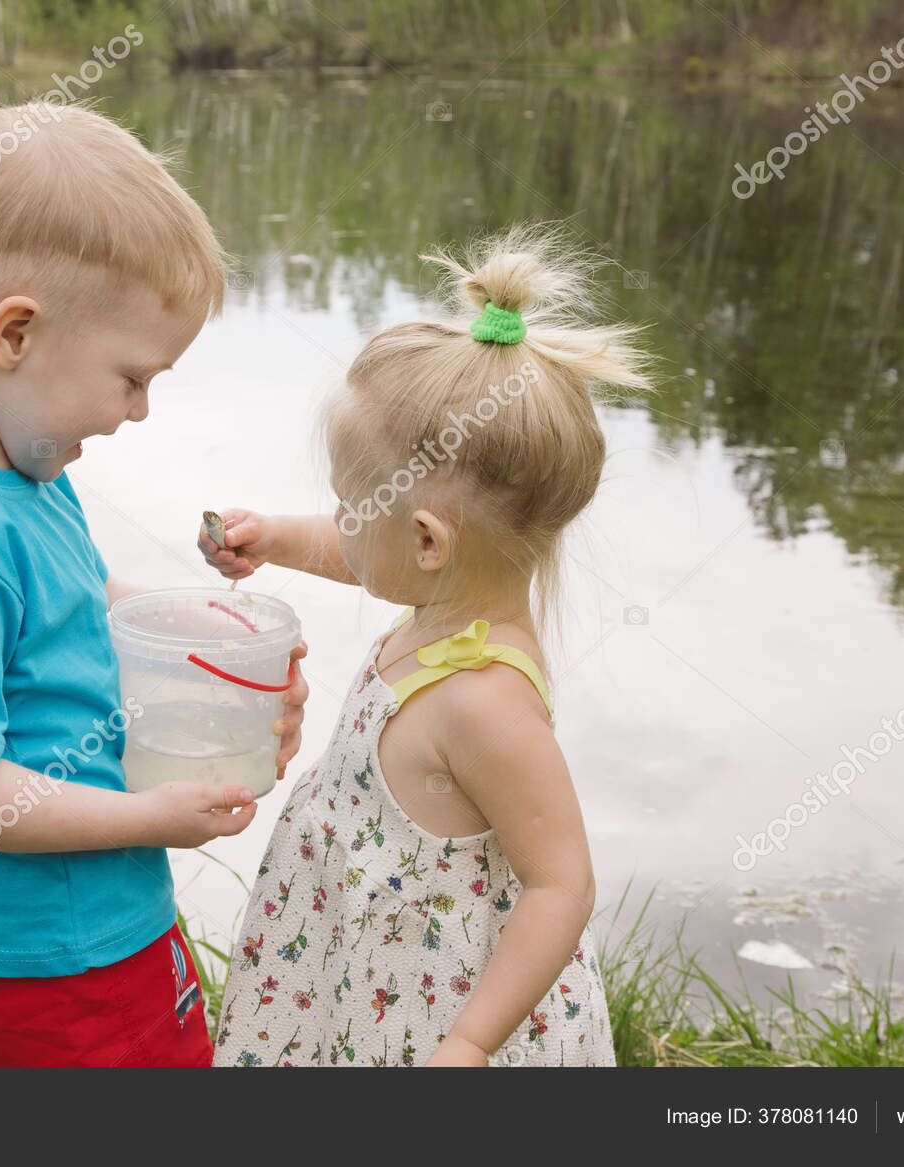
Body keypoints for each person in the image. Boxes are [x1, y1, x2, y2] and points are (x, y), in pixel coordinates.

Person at [0, 102, 309, 1067]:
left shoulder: (12, 459)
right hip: (42, 956)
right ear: (16, 331)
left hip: (95, 915)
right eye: (132, 377)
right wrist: (150, 818)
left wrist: (214, 647)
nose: (139, 410)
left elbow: (81, 600)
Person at [199, 223, 651, 1066]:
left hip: (437, 1018)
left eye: (344, 502)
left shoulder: (486, 701)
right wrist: (278, 539)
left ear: (427, 539)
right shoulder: (448, 597)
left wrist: (470, 1044)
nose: (336, 521)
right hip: (366, 982)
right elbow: (367, 553)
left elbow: (563, 884)